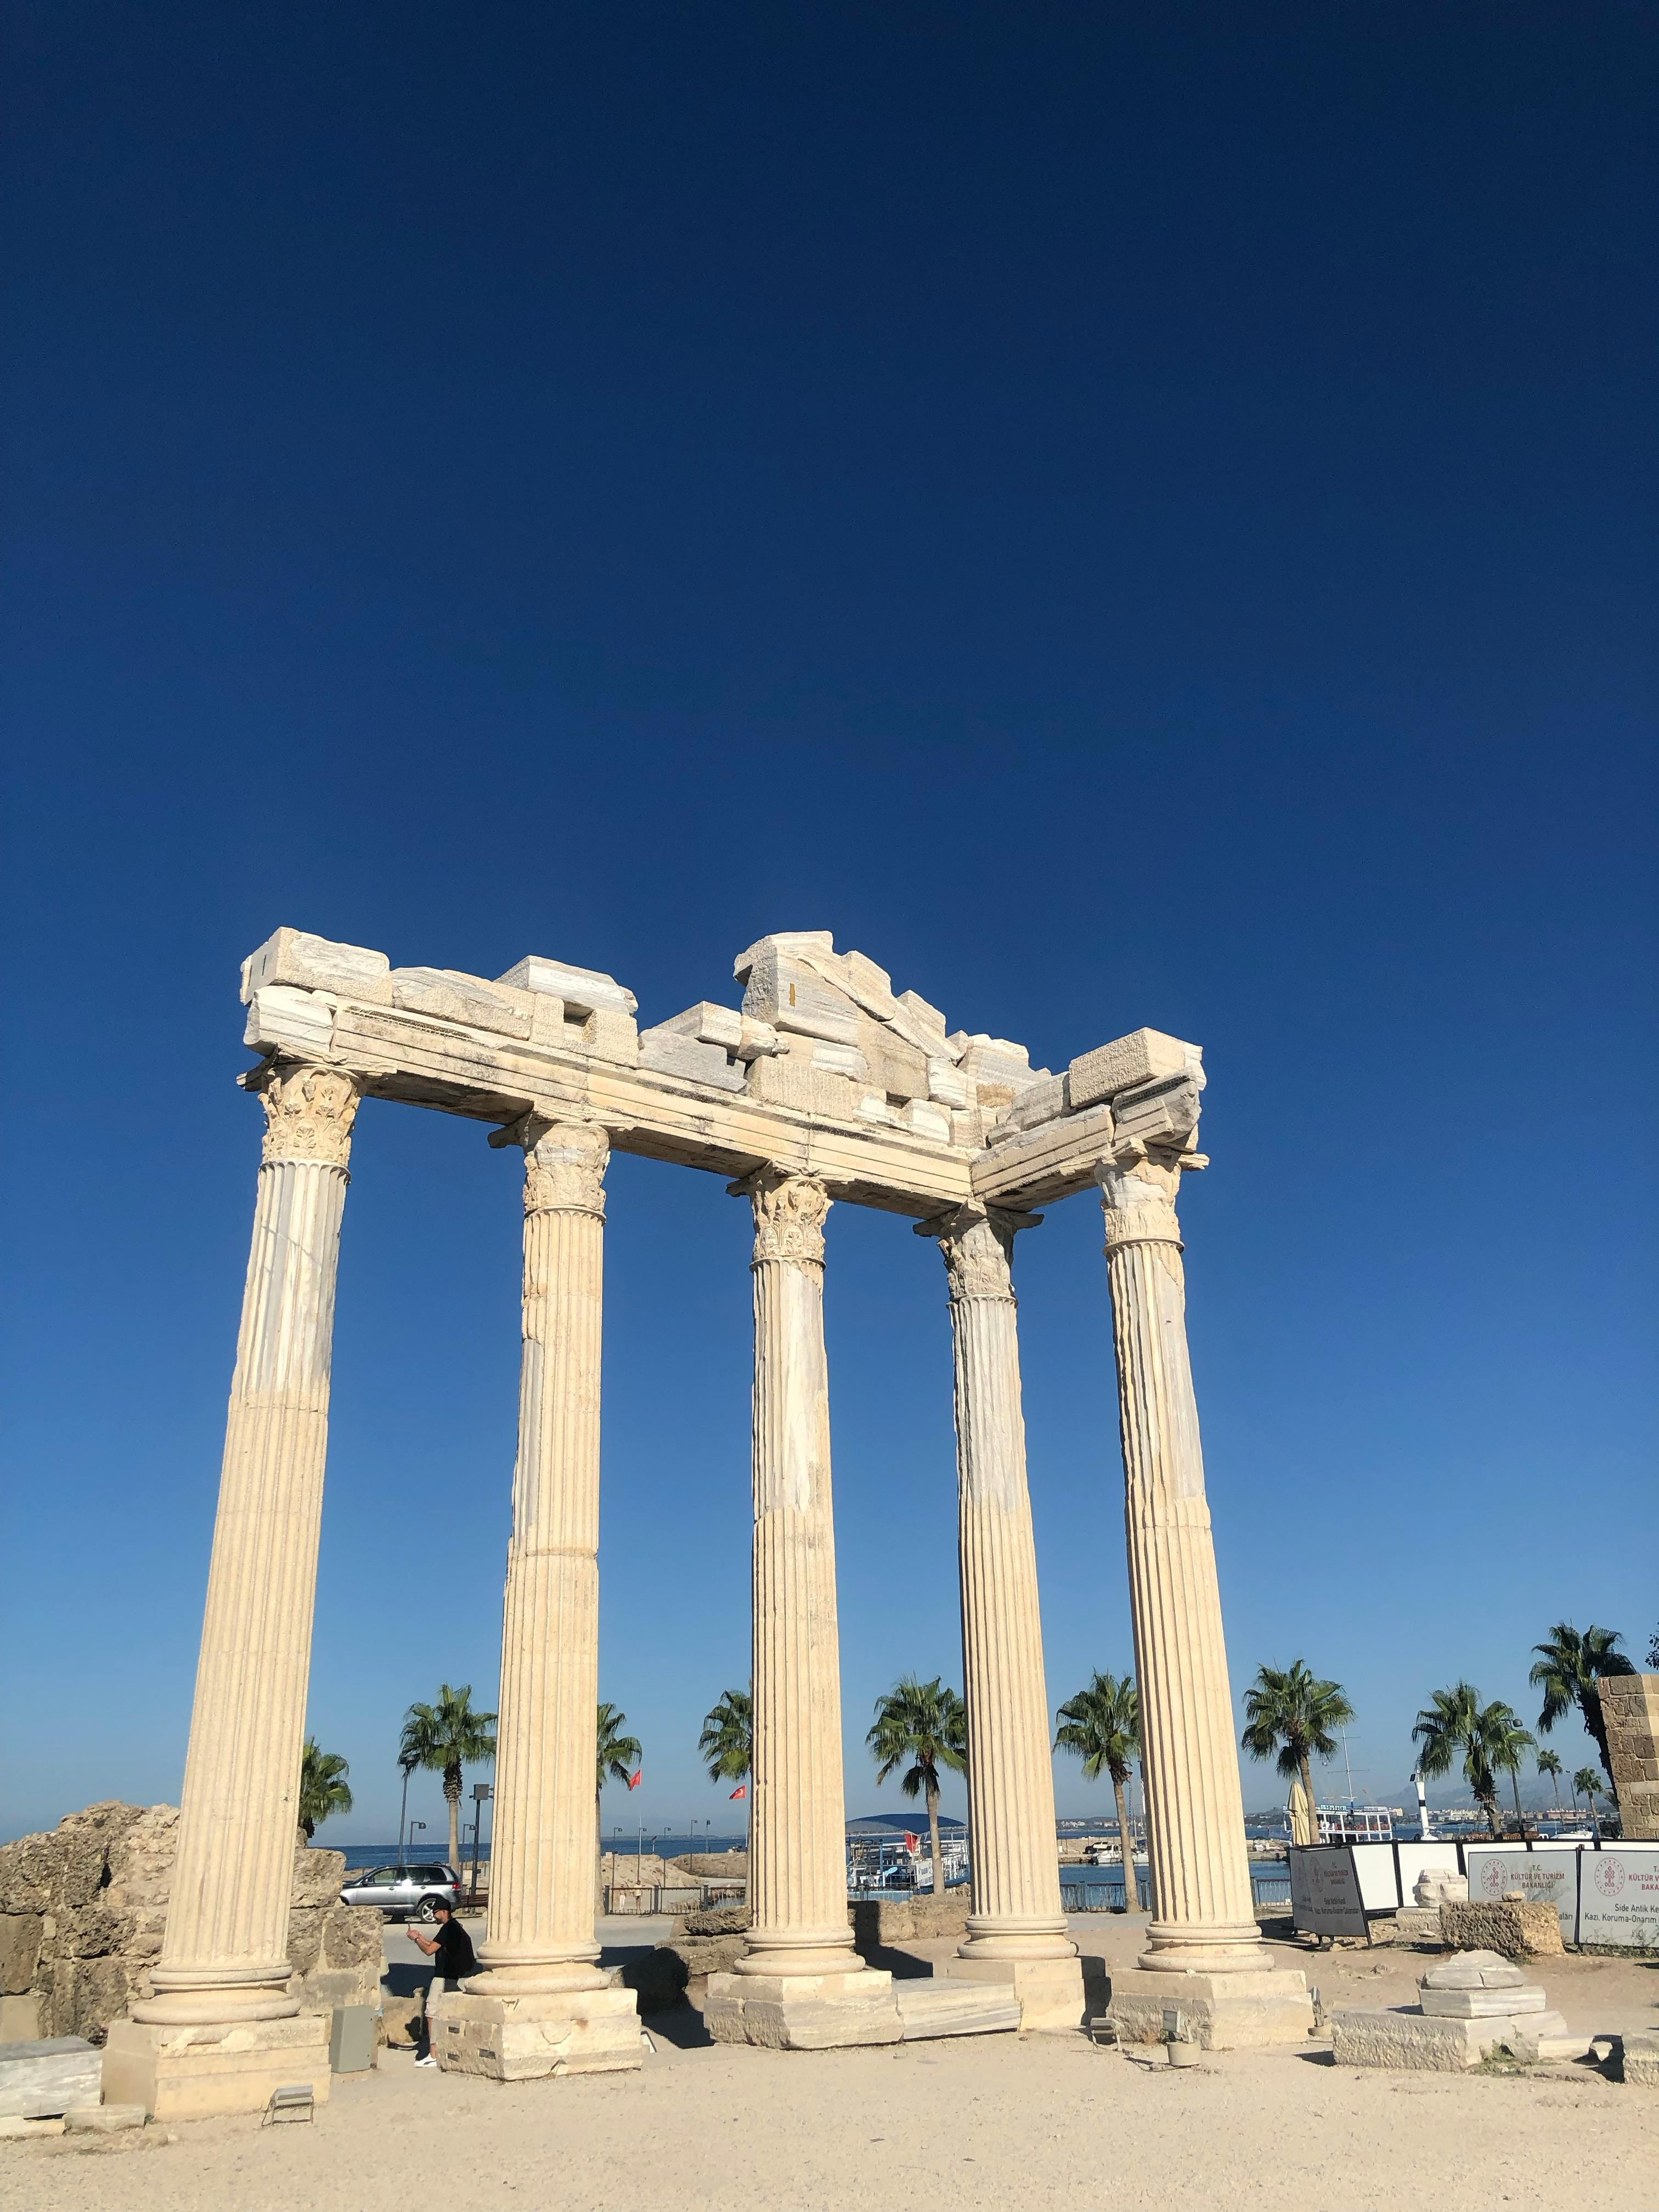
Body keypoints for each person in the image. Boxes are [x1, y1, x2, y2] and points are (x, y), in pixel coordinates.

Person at [409, 1899, 477, 2067]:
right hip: (451, 1977)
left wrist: (416, 1940)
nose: (433, 1915)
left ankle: (434, 2054)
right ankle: (444, 2050)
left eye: (435, 1912)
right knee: (446, 2014)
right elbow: (435, 1945)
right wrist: (419, 1937)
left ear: (444, 1911)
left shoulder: (448, 1929)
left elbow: (429, 1950)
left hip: (443, 1977)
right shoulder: (454, 1928)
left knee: (432, 2014)